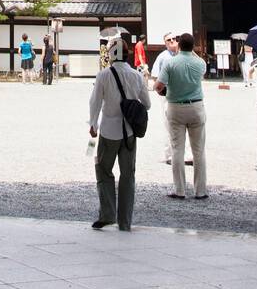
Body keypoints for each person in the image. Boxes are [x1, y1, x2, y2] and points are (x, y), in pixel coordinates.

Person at [88, 33, 151, 231]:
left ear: (111, 55)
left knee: (104, 170)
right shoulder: (136, 76)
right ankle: (125, 221)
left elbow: (95, 101)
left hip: (108, 129)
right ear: (127, 54)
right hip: (130, 132)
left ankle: (107, 213)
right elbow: (147, 104)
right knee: (128, 175)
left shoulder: (103, 75)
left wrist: (93, 124)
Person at [155, 32, 207, 200]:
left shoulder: (170, 64)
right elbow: (200, 69)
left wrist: (165, 89)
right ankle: (200, 190)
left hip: (176, 107)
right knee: (198, 150)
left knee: (177, 149)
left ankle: (180, 189)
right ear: (193, 47)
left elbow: (158, 85)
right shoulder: (200, 63)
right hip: (196, 106)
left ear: (178, 44)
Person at [150, 33, 180, 164]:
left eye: (174, 39)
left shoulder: (183, 55)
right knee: (169, 123)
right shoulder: (162, 57)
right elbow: (155, 76)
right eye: (169, 40)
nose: (172, 41)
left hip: (182, 94)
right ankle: (169, 154)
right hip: (167, 93)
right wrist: (162, 91)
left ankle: (185, 154)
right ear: (165, 43)